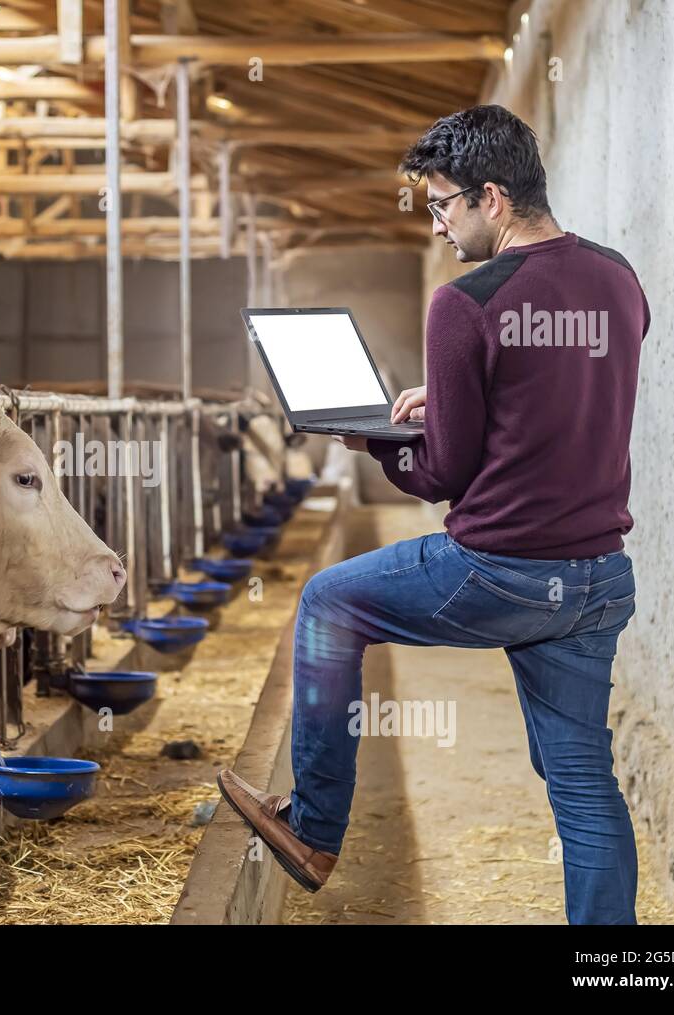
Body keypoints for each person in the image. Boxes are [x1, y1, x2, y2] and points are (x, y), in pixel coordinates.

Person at [217, 104, 651, 925]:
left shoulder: (466, 302)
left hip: (500, 570)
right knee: (584, 782)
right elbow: (549, 406)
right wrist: (444, 407)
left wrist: (377, 439)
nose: (438, 226)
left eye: (442, 204)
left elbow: (443, 472)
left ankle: (312, 827)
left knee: (327, 603)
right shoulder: (618, 279)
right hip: (596, 578)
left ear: (491, 196)